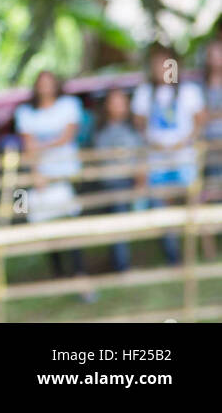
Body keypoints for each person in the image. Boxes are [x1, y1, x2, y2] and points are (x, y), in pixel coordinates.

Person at [131, 43, 206, 266]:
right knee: (163, 206)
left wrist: (183, 142)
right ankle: (173, 255)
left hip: (185, 158)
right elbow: (140, 123)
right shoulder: (145, 93)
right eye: (158, 64)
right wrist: (154, 142)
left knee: (192, 204)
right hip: (157, 161)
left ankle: (198, 250)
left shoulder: (188, 91)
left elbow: (199, 121)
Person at [14, 71, 88, 283]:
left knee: (72, 225)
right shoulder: (26, 112)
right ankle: (59, 273)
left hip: (66, 173)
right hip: (43, 177)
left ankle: (79, 270)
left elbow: (67, 137)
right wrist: (37, 172)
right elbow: (28, 146)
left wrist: (41, 145)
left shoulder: (69, 105)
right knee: (49, 225)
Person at [92, 88, 145, 273]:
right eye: (114, 102)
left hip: (135, 181)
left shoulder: (135, 129)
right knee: (119, 208)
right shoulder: (101, 133)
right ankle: (123, 267)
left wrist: (139, 181)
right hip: (114, 184)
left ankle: (174, 260)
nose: (118, 106)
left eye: (122, 101)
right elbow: (104, 165)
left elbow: (141, 157)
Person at [200, 23, 222, 259]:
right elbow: (198, 116)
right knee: (206, 196)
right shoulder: (199, 86)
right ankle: (209, 251)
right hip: (207, 149)